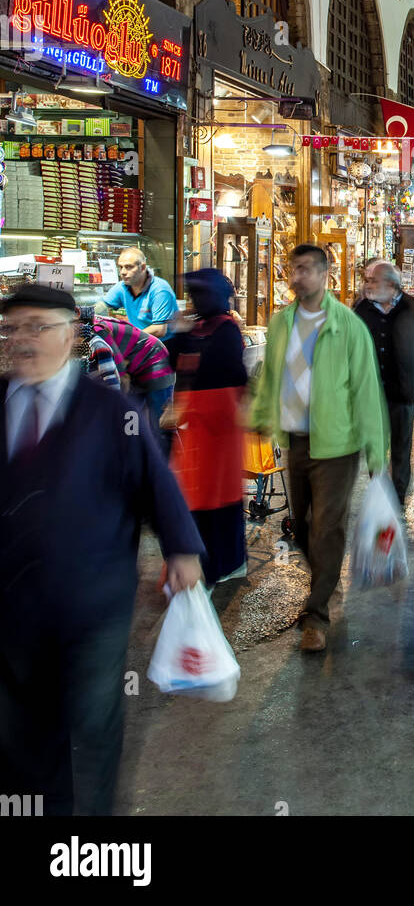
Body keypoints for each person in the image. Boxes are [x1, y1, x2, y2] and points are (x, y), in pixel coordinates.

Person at [0, 284, 203, 816]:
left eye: (36, 327)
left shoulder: (111, 410)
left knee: (91, 720)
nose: (21, 340)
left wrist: (182, 549)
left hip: (93, 600)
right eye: (12, 328)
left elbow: (154, 483)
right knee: (22, 723)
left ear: (69, 335)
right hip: (14, 602)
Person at [251, 243, 387, 652]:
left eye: (307, 269)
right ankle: (326, 579)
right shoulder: (279, 324)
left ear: (326, 274)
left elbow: (366, 391)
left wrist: (377, 453)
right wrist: (261, 414)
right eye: (294, 268)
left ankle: (316, 616)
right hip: (295, 441)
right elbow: (271, 376)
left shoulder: (348, 326)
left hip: (337, 446)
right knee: (305, 527)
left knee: (328, 527)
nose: (297, 276)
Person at [165, 270, 248, 587]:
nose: (192, 300)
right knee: (196, 496)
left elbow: (222, 370)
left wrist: (184, 336)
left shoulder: (225, 329)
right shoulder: (199, 327)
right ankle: (204, 563)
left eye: (197, 294)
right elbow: (171, 358)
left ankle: (223, 563)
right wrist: (181, 333)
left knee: (218, 495)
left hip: (218, 427)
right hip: (195, 427)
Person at [354, 260, 414, 507]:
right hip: (371, 391)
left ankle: (399, 496)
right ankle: (378, 491)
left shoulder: (412, 308)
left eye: (373, 280)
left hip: (402, 390)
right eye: (367, 280)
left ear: (391, 285)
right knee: (374, 447)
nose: (368, 285)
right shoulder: (363, 309)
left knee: (401, 447)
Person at [78, 306, 175, 456]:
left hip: (155, 360)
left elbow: (120, 375)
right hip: (132, 369)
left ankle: (167, 467)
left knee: (160, 424)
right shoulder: (84, 332)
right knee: (131, 423)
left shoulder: (97, 331)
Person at [100, 247, 178, 338]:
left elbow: (159, 329)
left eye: (129, 267)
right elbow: (102, 305)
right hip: (140, 339)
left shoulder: (160, 290)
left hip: (163, 344)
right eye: (121, 267)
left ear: (143, 267)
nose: (123, 272)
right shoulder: (122, 287)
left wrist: (129, 337)